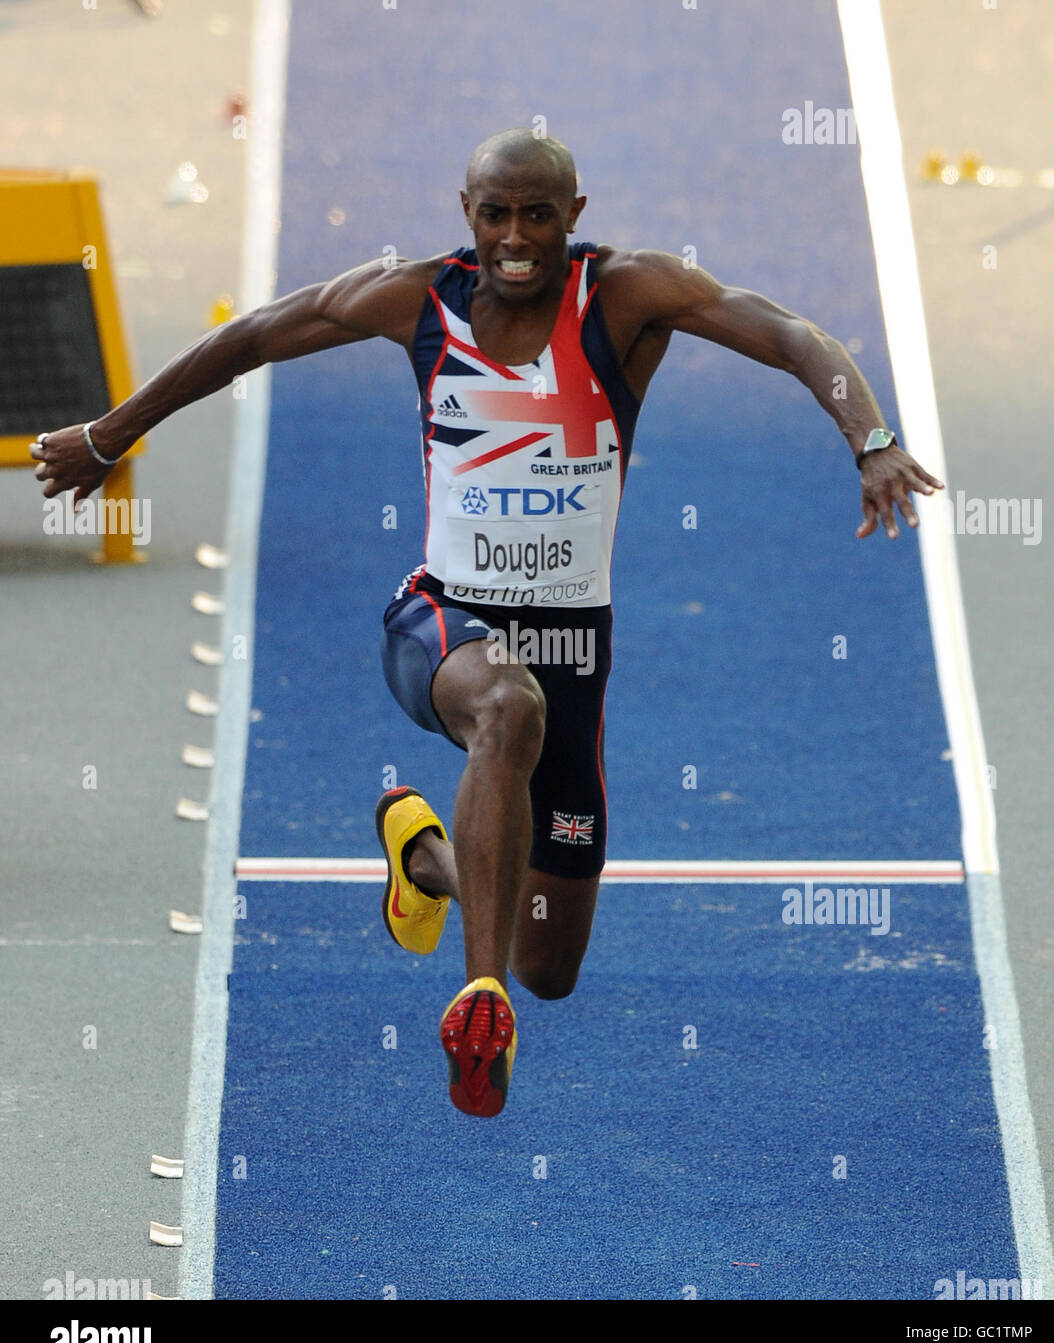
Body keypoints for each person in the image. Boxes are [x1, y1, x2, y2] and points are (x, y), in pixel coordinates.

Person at [31, 128, 943, 1119]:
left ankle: (425, 858)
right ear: (465, 211)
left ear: (574, 216)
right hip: (438, 620)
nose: (515, 236)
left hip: (574, 647)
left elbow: (791, 334)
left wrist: (872, 439)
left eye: (537, 215)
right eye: (495, 213)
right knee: (506, 708)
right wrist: (108, 434)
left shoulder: (626, 296)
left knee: (548, 957)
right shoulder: (413, 298)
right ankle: (478, 1001)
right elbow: (252, 335)